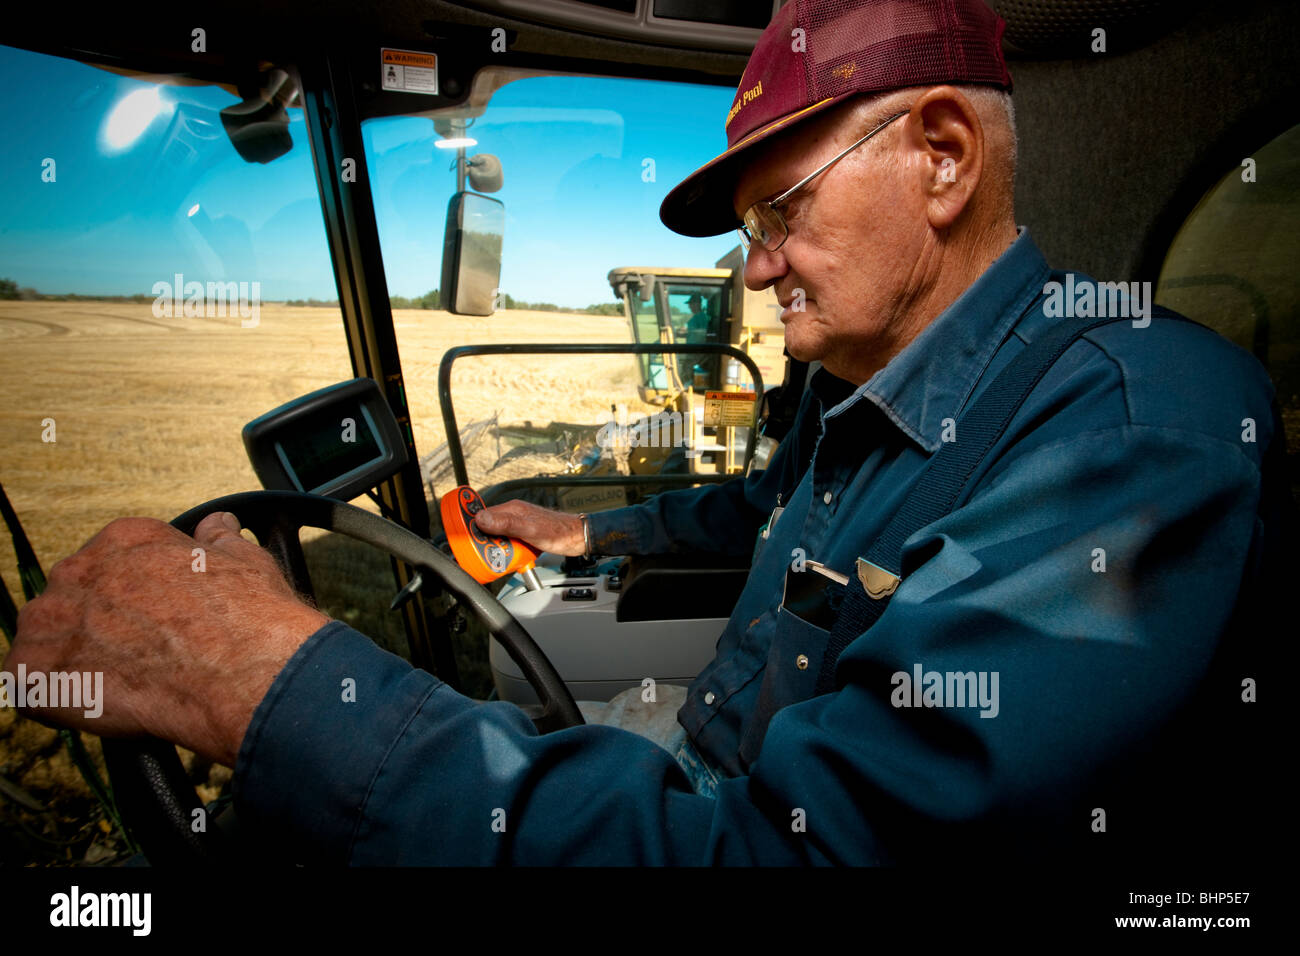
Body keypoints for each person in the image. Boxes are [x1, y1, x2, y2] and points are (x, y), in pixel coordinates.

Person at [5, 0, 1289, 865]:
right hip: (701, 752)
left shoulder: (1128, 437)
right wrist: (594, 527)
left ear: (943, 157)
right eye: (748, 233)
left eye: (776, 212)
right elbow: (755, 522)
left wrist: (273, 684)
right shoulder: (860, 389)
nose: (754, 268)